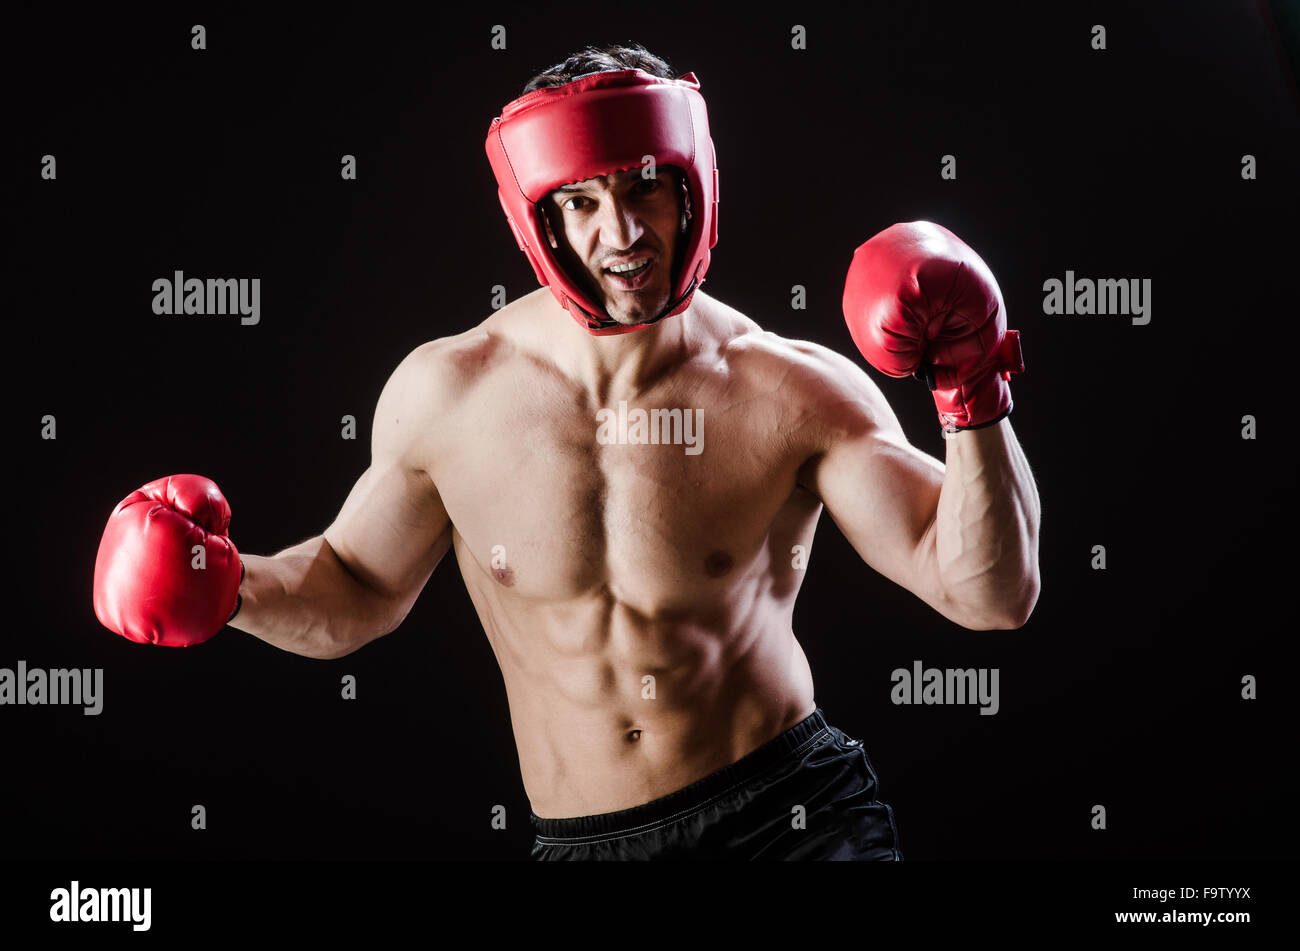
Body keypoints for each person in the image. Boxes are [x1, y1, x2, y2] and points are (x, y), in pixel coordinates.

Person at [93, 43, 1041, 860]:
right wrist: (230, 588)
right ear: (536, 220)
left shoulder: (790, 388)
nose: (622, 234)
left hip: (789, 817)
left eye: (642, 188)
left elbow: (988, 592)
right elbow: (357, 584)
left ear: (690, 185)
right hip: (585, 839)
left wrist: (974, 393)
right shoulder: (450, 392)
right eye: (580, 202)